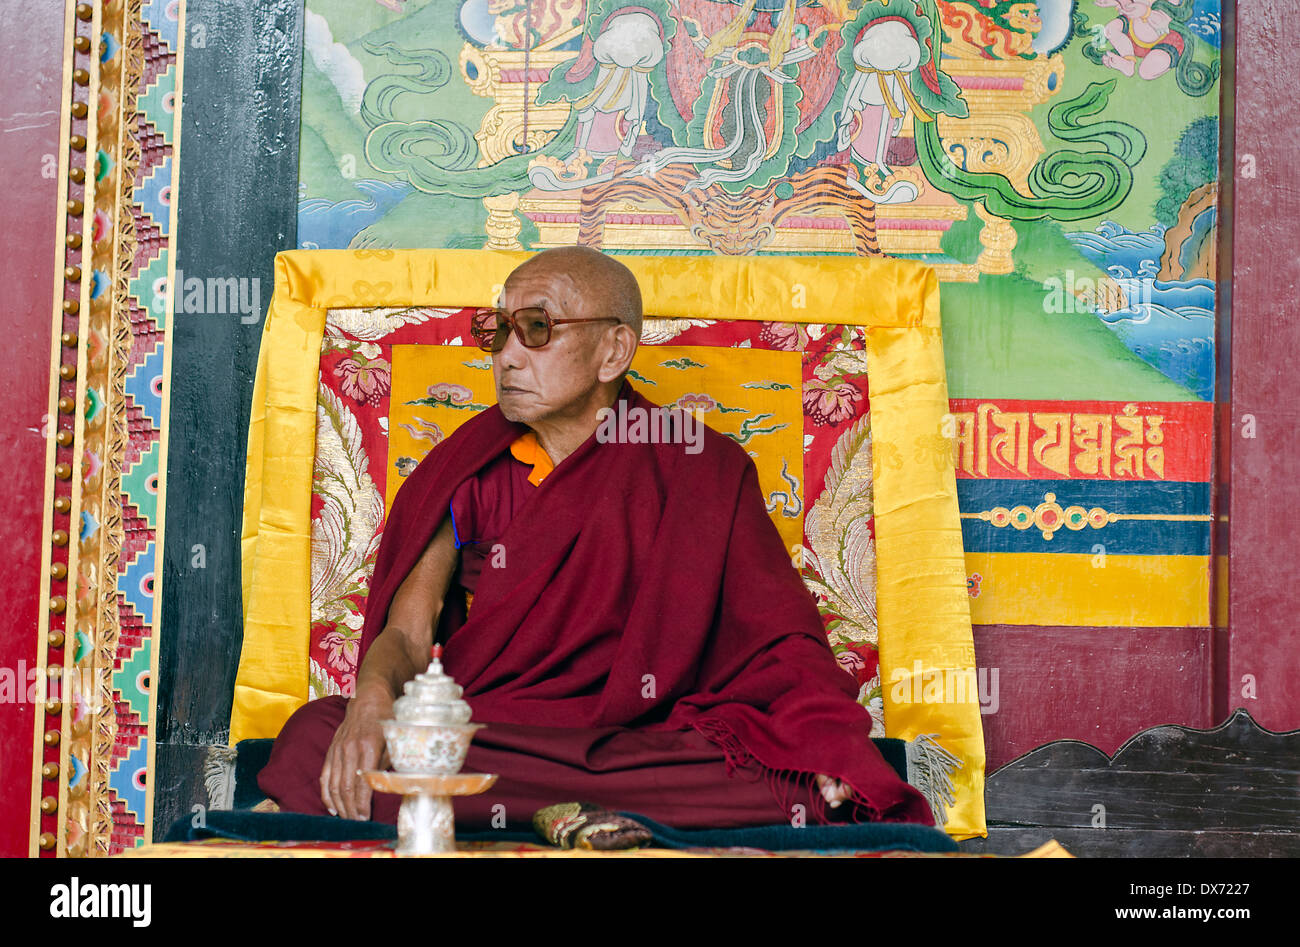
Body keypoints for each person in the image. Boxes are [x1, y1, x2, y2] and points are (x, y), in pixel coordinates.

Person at [257, 245, 934, 832]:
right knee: (316, 737)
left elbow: (781, 641)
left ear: (614, 350)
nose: (507, 357)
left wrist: (823, 742)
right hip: (495, 734)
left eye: (538, 329)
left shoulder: (701, 468)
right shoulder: (469, 468)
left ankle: (535, 804)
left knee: (765, 770)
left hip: (642, 743)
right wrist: (371, 704)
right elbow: (407, 634)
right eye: (498, 332)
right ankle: (587, 808)